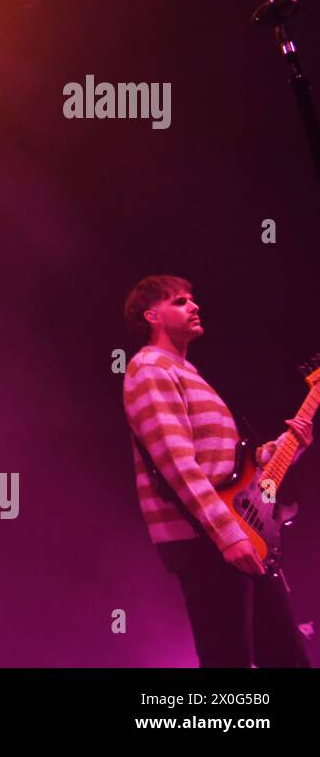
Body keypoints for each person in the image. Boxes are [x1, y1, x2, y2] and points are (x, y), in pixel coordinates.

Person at [121, 274, 312, 667]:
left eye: (193, 299)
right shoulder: (150, 367)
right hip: (207, 539)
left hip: (237, 533)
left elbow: (234, 468)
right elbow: (176, 463)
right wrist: (227, 536)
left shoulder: (190, 373)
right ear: (151, 315)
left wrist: (286, 450)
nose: (194, 306)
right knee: (229, 658)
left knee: (287, 658)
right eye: (180, 301)